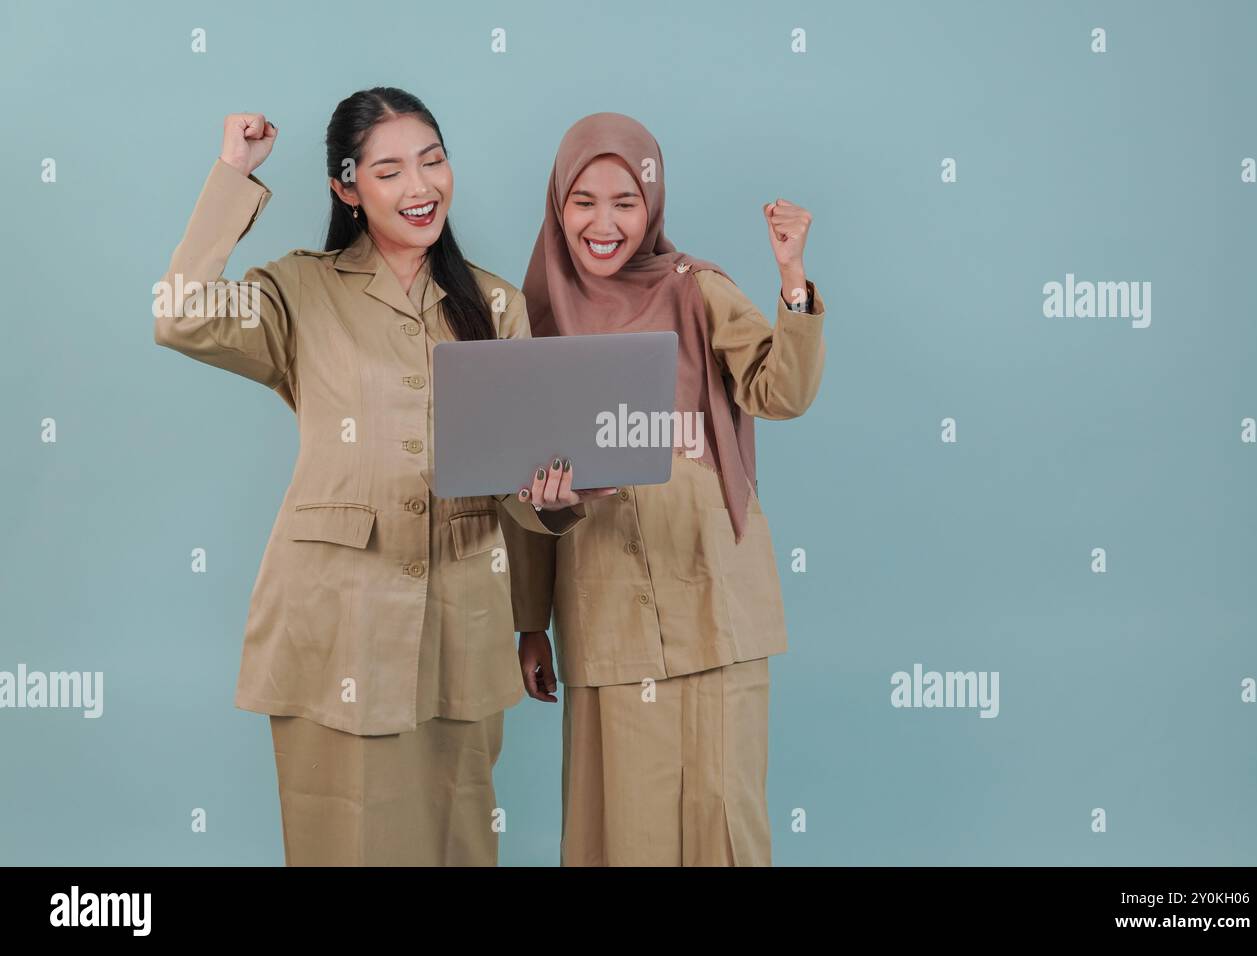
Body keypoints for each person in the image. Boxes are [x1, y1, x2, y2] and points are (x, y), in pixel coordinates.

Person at [153, 87, 596, 866]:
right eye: (389, 171)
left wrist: (551, 506)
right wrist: (232, 172)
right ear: (347, 187)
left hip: (461, 630)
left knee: (459, 843)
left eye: (432, 161)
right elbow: (181, 313)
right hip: (334, 626)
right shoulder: (298, 289)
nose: (420, 188)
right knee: (343, 843)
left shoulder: (494, 304)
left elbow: (516, 491)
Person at [503, 112, 827, 866]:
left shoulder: (696, 289)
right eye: (584, 201)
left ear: (653, 206)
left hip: (715, 598)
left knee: (721, 818)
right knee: (622, 829)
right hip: (605, 606)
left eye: (626, 201)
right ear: (558, 207)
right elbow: (521, 500)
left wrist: (793, 281)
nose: (605, 222)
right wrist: (529, 622)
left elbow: (780, 393)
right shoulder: (536, 320)